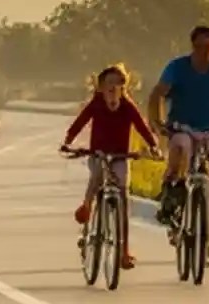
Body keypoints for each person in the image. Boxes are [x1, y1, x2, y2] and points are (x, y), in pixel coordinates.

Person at [146, 25, 209, 267]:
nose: (204, 52)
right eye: (200, 47)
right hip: (182, 125)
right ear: (192, 47)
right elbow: (157, 94)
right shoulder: (177, 67)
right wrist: (157, 122)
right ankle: (171, 200)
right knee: (180, 151)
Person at [61, 62, 161, 269]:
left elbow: (142, 126)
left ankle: (124, 251)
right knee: (96, 174)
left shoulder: (127, 105)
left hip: (120, 156)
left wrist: (153, 146)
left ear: (124, 87)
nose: (113, 87)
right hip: (98, 153)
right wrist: (68, 141)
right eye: (109, 83)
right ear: (101, 87)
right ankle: (87, 207)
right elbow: (81, 121)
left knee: (123, 196)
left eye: (118, 83)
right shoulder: (96, 103)